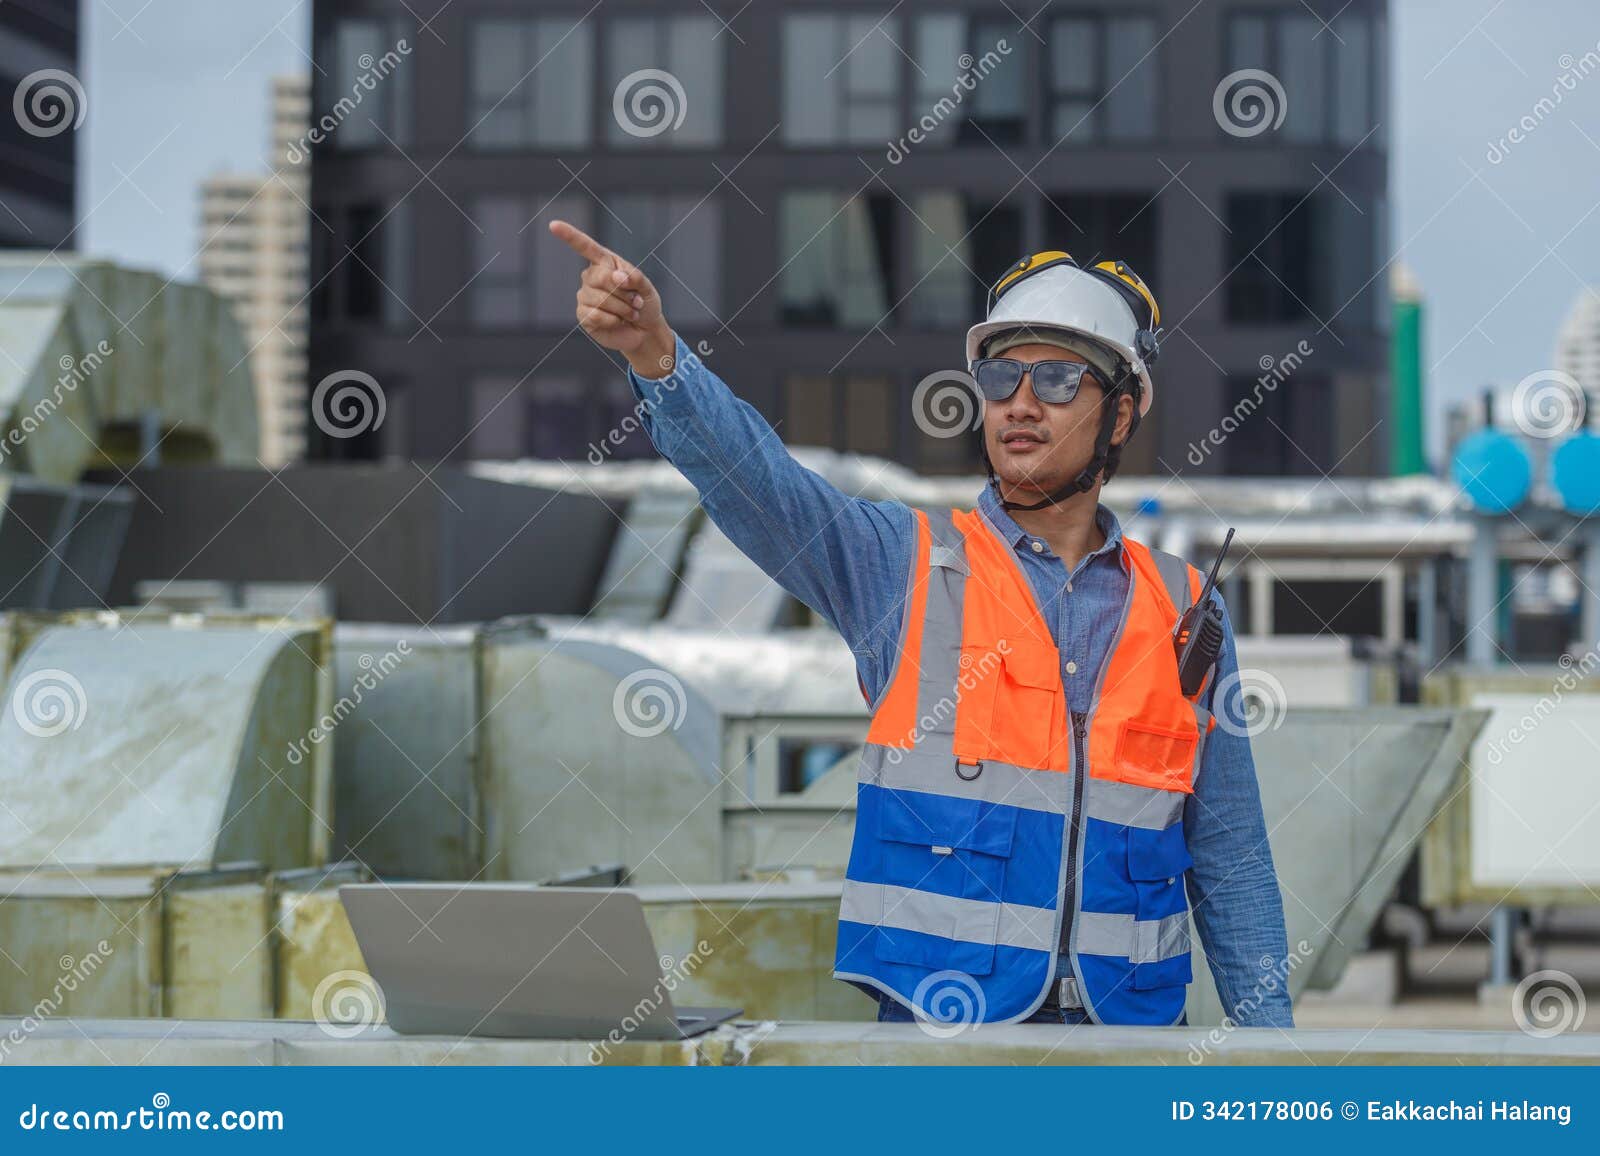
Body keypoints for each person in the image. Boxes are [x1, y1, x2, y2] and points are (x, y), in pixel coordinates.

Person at [551, 221, 1293, 1029]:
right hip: (942, 1048)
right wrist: (658, 358)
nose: (1019, 403)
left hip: (1129, 1049)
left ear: (1119, 414)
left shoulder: (1185, 607)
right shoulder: (900, 566)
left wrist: (1278, 1058)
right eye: (1000, 376)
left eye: (1055, 380)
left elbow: (1231, 859)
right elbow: (760, 488)